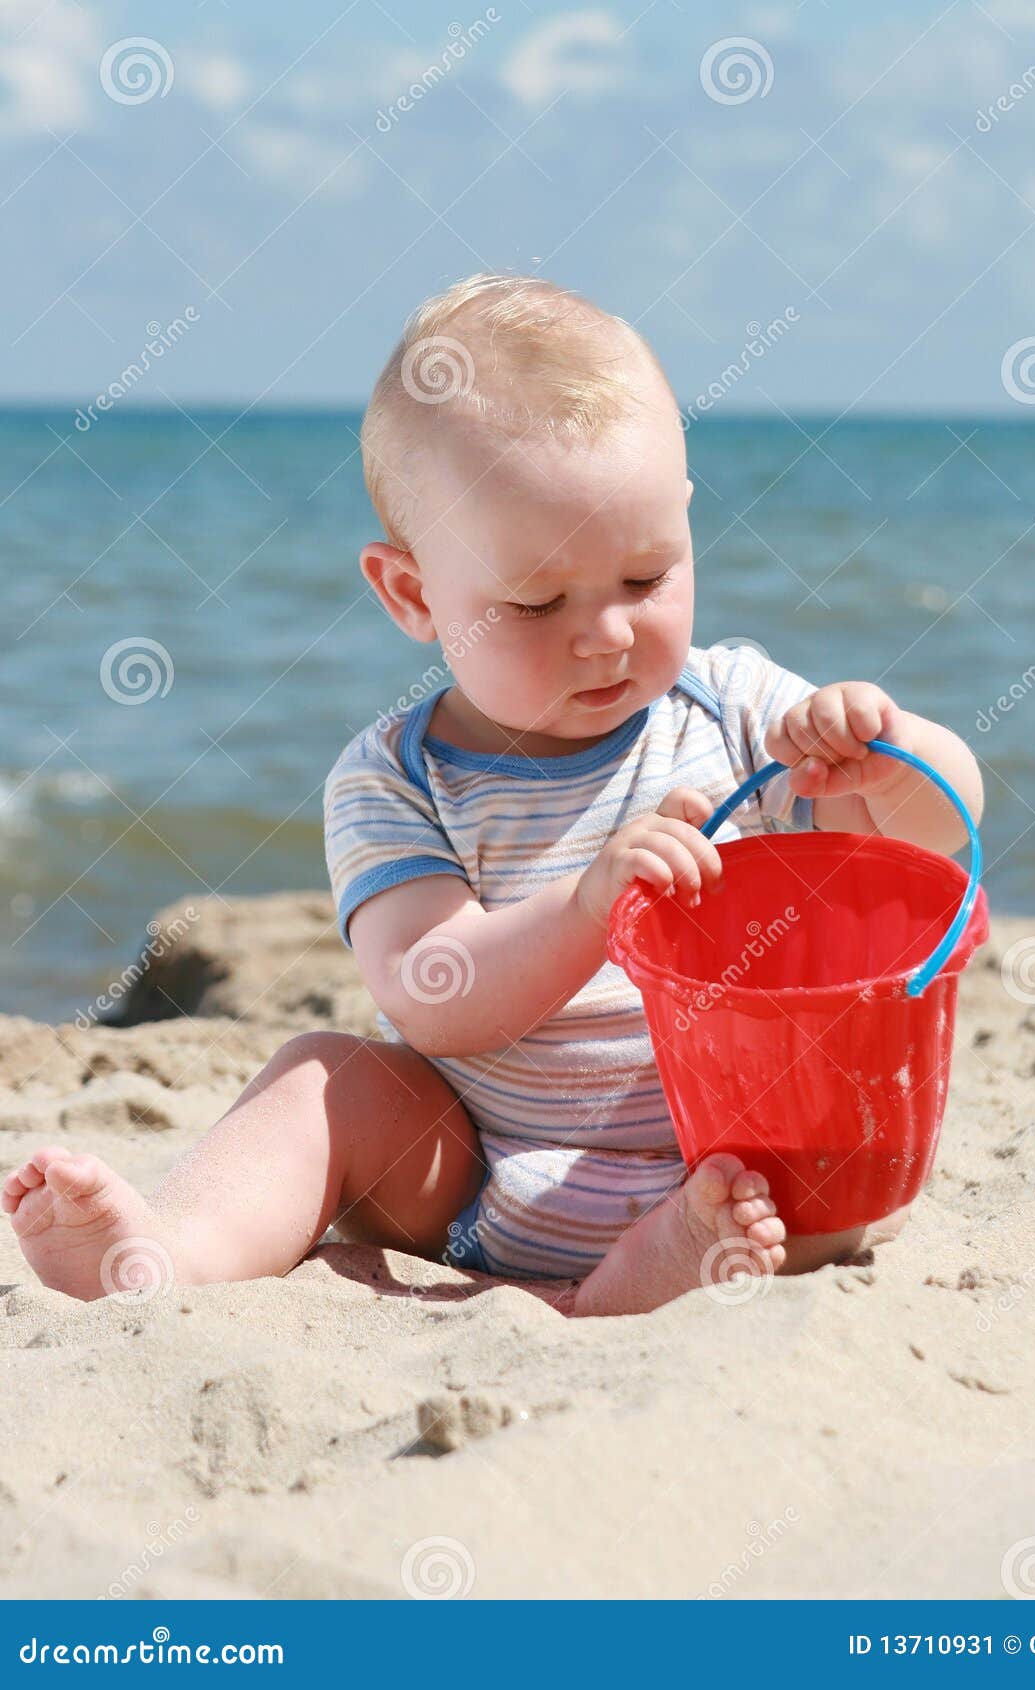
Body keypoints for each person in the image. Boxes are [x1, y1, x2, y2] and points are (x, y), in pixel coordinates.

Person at [4, 274, 983, 1316]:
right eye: (534, 601)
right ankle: (176, 1248)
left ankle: (654, 1263)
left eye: (645, 578)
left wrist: (884, 755)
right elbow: (432, 998)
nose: (604, 631)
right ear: (414, 595)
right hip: (478, 1182)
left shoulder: (735, 708)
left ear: (686, 525)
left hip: (731, 1165)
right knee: (327, 1078)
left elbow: (932, 849)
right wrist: (583, 910)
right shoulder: (396, 777)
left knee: (835, 1162)